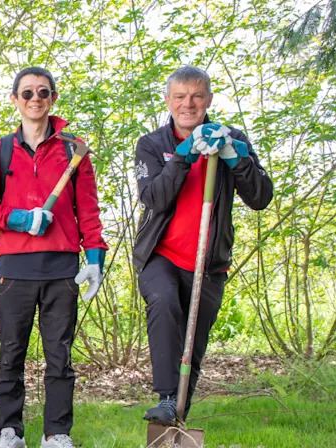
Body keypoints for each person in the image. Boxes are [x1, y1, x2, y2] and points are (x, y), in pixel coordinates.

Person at [0, 67, 108, 448]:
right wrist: (17, 218)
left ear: (52, 98)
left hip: (62, 266)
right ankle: (9, 430)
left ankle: (57, 433)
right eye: (26, 93)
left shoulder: (72, 150)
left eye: (42, 92)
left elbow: (89, 211)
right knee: (11, 352)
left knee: (59, 354)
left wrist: (94, 259)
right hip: (14, 267)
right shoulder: (1, 151)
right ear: (15, 100)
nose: (35, 99)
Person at [133, 66, 273, 425]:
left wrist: (234, 157)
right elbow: (154, 199)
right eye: (180, 96)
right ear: (168, 101)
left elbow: (260, 197)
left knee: (192, 342)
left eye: (196, 96)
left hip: (208, 261)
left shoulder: (231, 137)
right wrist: (183, 156)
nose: (188, 104)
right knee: (164, 302)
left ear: (209, 99)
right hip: (160, 255)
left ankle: (176, 416)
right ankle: (166, 397)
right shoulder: (152, 145)